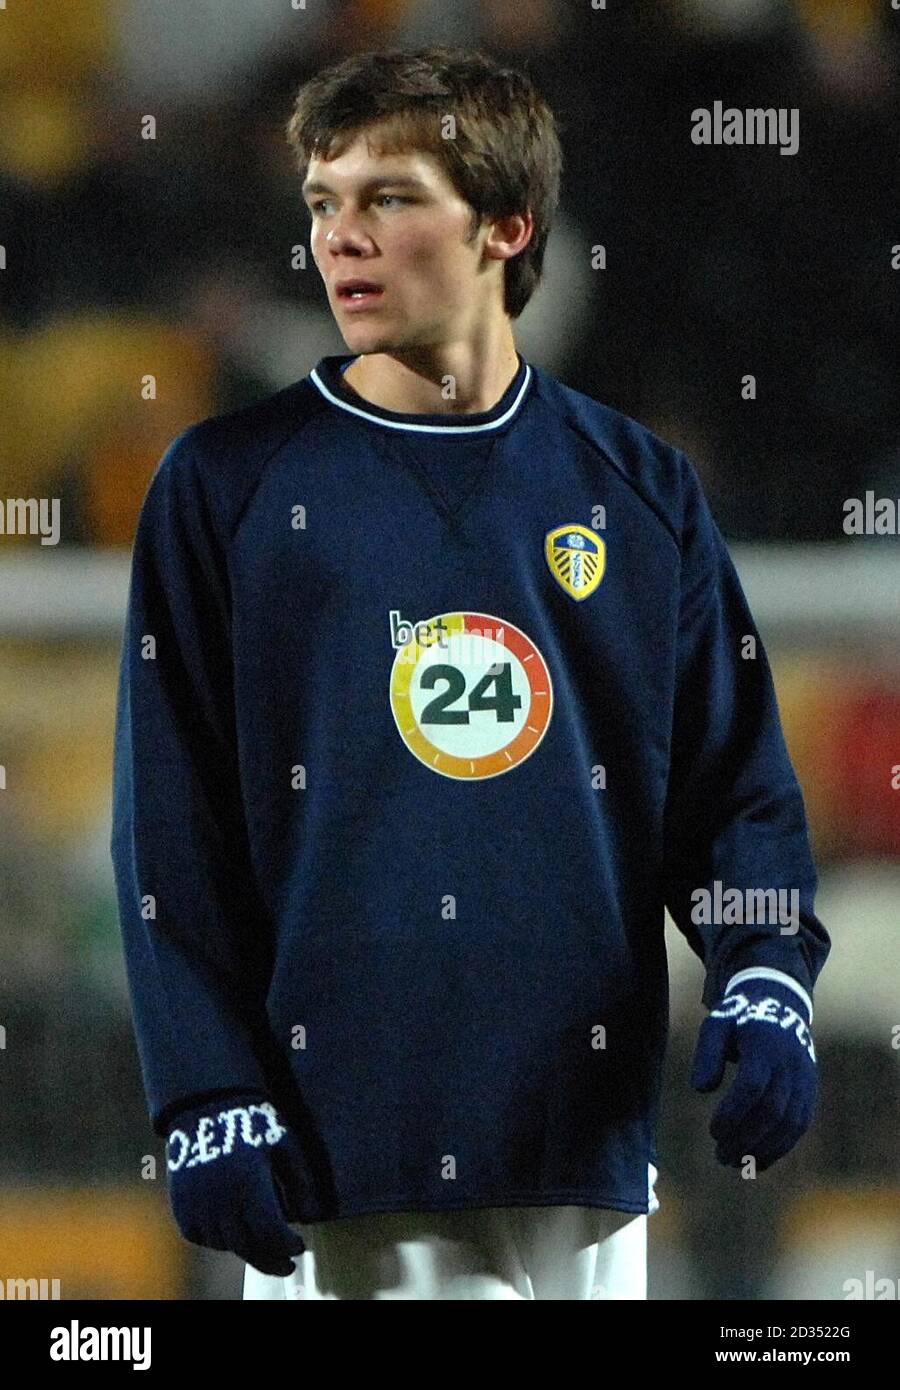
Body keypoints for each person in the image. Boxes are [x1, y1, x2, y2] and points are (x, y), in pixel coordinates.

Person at [110, 45, 830, 1301]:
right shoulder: (224, 488)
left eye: (388, 198)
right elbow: (172, 834)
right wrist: (207, 1085)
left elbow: (735, 796)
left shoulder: (639, 492)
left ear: (510, 223)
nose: (341, 238)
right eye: (323, 203)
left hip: (586, 1156)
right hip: (340, 1158)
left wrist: (766, 969)